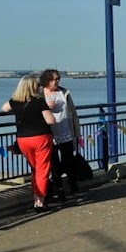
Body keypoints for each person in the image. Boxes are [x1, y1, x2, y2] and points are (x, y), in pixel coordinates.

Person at [2, 74, 58, 213]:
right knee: (42, 169)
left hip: (23, 139)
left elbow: (4, 108)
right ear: (34, 87)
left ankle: (36, 199)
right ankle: (39, 202)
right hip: (41, 138)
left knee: (34, 168)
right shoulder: (39, 102)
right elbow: (51, 121)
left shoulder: (15, 101)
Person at [40, 69, 82, 203]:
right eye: (53, 79)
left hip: (65, 132)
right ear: (46, 81)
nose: (57, 81)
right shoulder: (40, 95)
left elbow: (73, 113)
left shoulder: (64, 93)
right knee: (54, 165)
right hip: (48, 134)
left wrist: (77, 131)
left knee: (68, 161)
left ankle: (72, 183)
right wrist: (46, 107)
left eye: (58, 79)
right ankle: (59, 189)